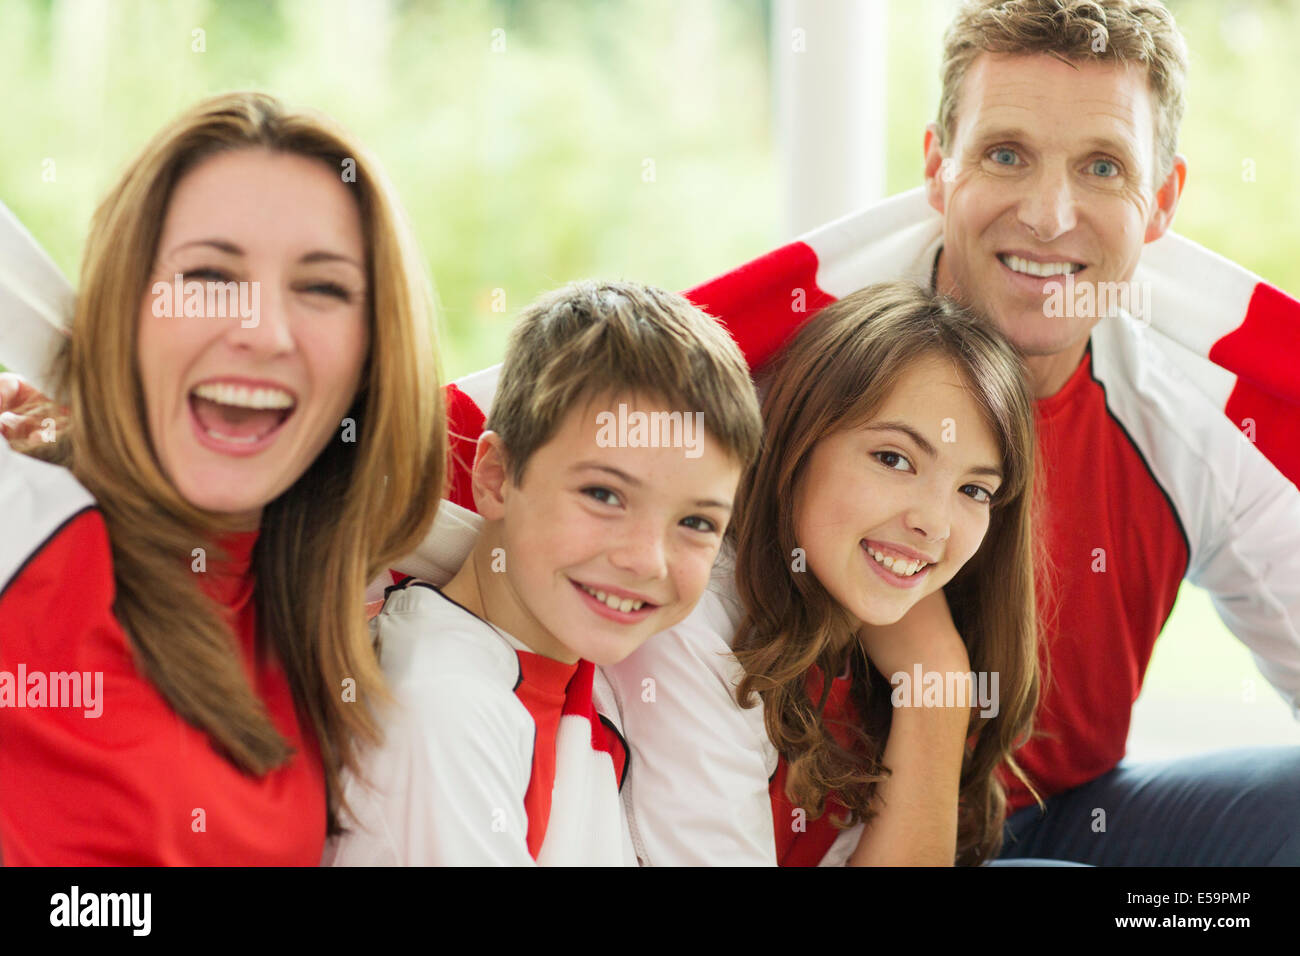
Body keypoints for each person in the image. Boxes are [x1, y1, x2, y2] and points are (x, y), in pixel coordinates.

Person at [661, 0, 1300, 864]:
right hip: (841, 834)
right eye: (1006, 154)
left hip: (1065, 815)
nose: (1048, 214)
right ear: (937, 166)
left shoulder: (1198, 419)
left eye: (1104, 167)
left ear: (1163, 202)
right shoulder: (807, 381)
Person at [0, 91, 446, 864]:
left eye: (322, 288)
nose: (264, 332)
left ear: (372, 357)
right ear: (121, 309)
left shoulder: (325, 597)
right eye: (208, 274)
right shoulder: (23, 530)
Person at [599, 280, 1041, 865]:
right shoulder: (690, 626)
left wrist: (934, 677)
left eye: (974, 489)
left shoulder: (872, 628)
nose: (934, 524)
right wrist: (937, 680)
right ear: (793, 443)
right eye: (893, 459)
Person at [322, 279, 763, 865]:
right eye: (604, 494)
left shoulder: (576, 681)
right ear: (497, 477)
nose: (647, 559)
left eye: (697, 522)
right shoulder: (444, 707)